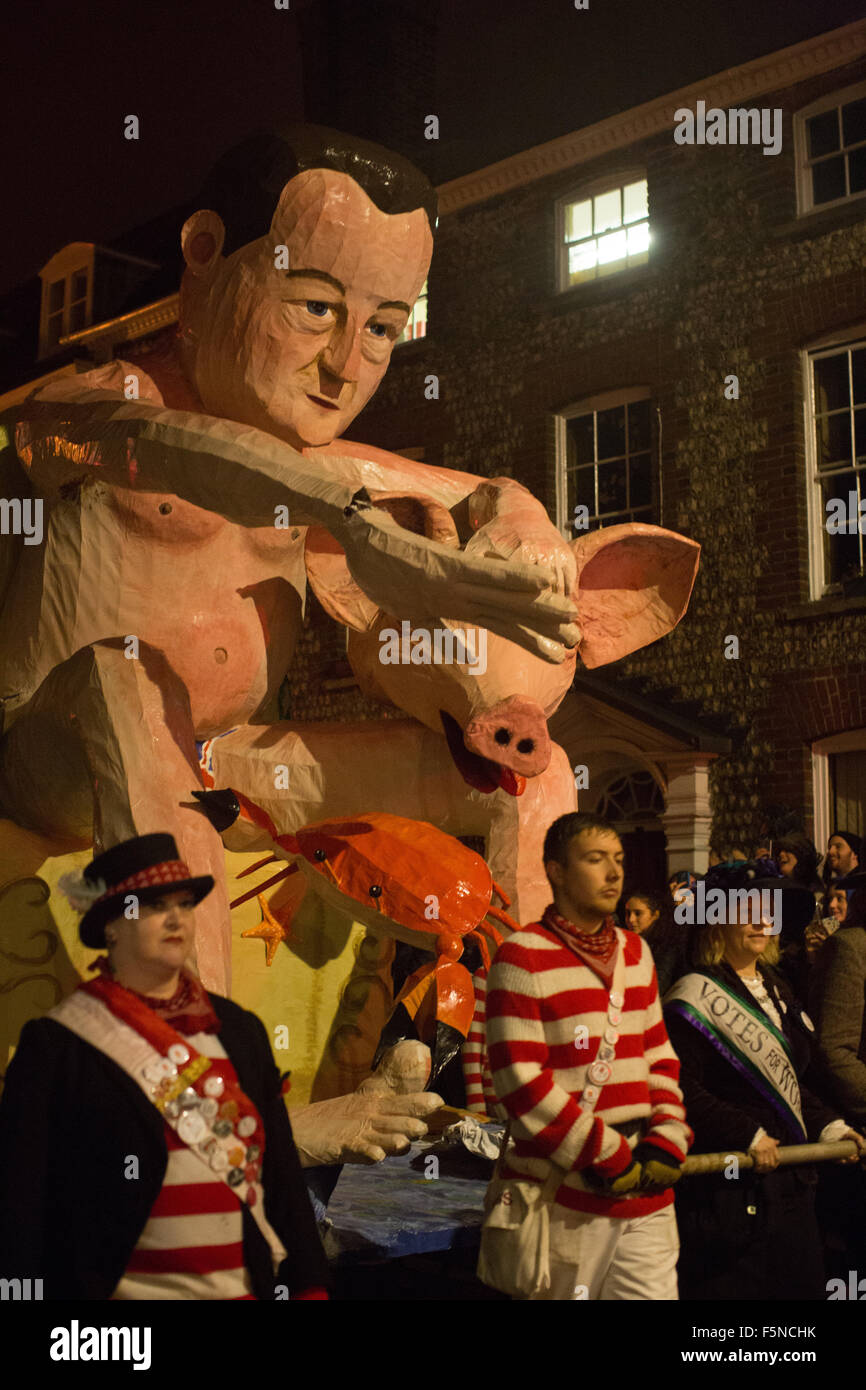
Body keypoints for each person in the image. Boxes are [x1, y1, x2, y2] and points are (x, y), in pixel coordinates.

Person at [0, 834, 329, 1300]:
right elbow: (20, 1203)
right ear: (111, 925)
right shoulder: (57, 1046)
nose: (176, 917)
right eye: (153, 906)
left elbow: (279, 1173)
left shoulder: (239, 1031)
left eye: (184, 903)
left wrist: (310, 1285)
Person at [482, 812, 691, 1300]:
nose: (614, 873)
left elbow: (658, 1054)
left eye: (618, 860)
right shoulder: (522, 956)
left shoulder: (637, 953)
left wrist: (668, 1135)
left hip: (647, 1201)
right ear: (556, 870)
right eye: (596, 860)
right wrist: (608, 1152)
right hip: (565, 1205)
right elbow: (521, 1082)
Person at [664, 860, 863, 1302]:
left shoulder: (777, 987)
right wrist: (748, 1135)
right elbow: (680, 1088)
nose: (762, 919)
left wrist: (830, 1125)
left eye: (768, 908)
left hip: (792, 1184)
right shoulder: (694, 991)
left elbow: (795, 1080)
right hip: (729, 1192)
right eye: (747, 908)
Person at [624, 889, 684, 994]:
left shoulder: (667, 946)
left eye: (638, 913)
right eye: (628, 913)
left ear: (655, 915)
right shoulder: (626, 941)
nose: (631, 919)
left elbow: (657, 986)